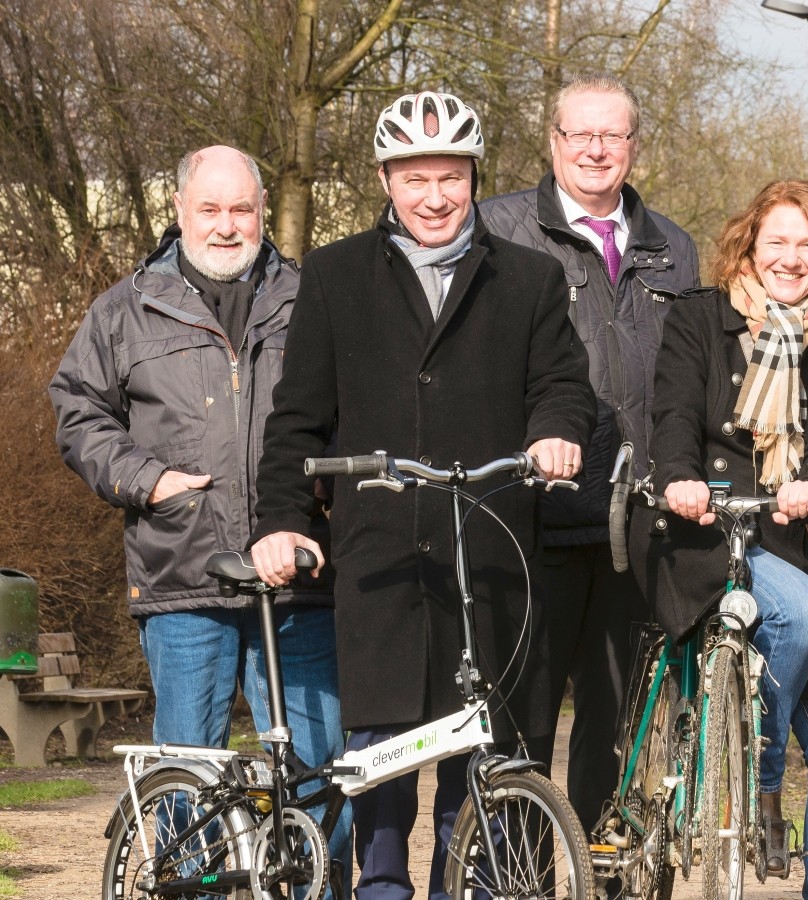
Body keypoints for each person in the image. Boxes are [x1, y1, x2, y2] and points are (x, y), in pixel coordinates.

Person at [249, 90, 595, 900]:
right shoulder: (334, 276)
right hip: (382, 563)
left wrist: (554, 432)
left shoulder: (530, 279)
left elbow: (562, 386)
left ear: (474, 177)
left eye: (449, 177)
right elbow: (297, 419)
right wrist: (280, 522)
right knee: (382, 770)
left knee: (481, 769)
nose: (433, 197)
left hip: (490, 558)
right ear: (384, 180)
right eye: (414, 179)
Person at [48, 145, 352, 896]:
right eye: (209, 210)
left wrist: (328, 497)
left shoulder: (310, 297)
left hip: (297, 582)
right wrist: (147, 481)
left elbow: (352, 410)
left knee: (323, 773)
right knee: (191, 778)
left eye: (241, 209)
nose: (226, 226)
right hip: (182, 575)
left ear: (261, 214)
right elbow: (77, 411)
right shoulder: (127, 307)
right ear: (180, 212)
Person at [631, 179, 808, 899]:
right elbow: (671, 412)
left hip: (787, 545)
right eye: (778, 242)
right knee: (798, 610)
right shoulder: (700, 319)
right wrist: (677, 476)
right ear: (749, 247)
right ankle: (763, 776)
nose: (791, 258)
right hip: (699, 535)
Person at [479, 73, 699, 833]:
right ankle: (521, 877)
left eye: (614, 135)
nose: (598, 149)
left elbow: (687, 380)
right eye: (581, 134)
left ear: (634, 146)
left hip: (634, 525)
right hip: (531, 520)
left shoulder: (675, 247)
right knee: (522, 726)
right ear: (554, 143)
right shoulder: (498, 230)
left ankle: (603, 877)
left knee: (615, 730)